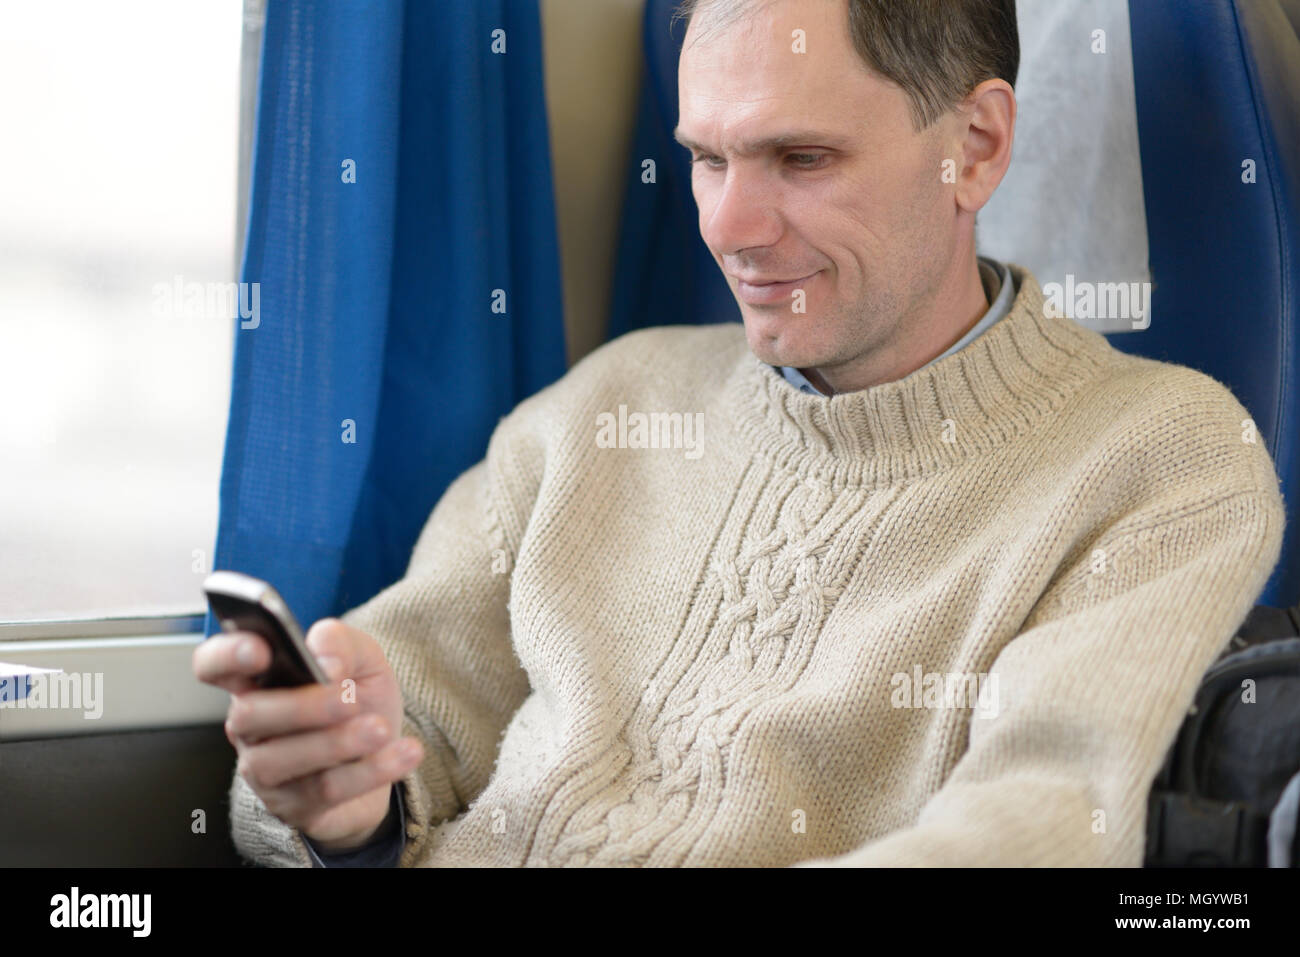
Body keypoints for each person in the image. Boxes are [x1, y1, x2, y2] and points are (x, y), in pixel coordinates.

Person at [193, 0, 1286, 867]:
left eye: (800, 159)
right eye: (708, 159)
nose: (728, 227)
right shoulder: (609, 404)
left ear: (977, 145)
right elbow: (395, 738)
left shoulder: (1164, 459)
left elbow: (1037, 828)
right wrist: (340, 803)